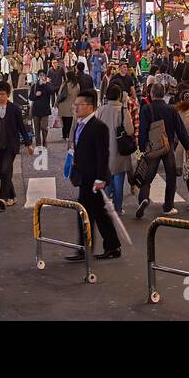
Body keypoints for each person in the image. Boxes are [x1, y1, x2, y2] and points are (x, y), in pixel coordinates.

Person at [65, 91, 123, 260]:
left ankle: (85, 249)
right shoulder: (79, 124)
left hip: (93, 178)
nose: (75, 108)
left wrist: (100, 178)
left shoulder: (98, 127)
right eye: (75, 105)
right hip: (83, 176)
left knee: (85, 213)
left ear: (90, 107)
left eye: (79, 105)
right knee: (98, 213)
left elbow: (103, 154)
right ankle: (111, 246)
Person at [136, 83, 189, 219]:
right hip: (168, 146)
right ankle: (168, 206)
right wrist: (187, 146)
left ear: (152, 94)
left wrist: (142, 148)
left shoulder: (146, 109)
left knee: (148, 175)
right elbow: (180, 129)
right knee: (171, 175)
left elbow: (142, 130)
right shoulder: (171, 109)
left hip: (153, 147)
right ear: (164, 94)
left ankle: (143, 198)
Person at [0, 80, 33, 209]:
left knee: (6, 168)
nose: (0, 97)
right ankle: (12, 196)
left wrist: (28, 144)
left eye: (3, 94)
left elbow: (21, 127)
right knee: (1, 170)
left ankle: (2, 198)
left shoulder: (14, 108)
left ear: (8, 94)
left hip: (11, 145)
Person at [96, 83, 134, 213]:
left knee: (106, 181)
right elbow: (130, 131)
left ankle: (106, 207)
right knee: (119, 182)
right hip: (120, 152)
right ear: (119, 96)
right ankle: (118, 209)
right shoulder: (124, 111)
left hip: (104, 152)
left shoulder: (100, 110)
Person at [29, 69, 55, 147]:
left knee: (44, 127)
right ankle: (38, 144)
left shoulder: (48, 85)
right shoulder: (35, 85)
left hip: (45, 110)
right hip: (36, 110)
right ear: (38, 76)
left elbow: (52, 92)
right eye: (40, 75)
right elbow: (30, 97)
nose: (42, 77)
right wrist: (36, 95)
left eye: (43, 75)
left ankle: (44, 140)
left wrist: (45, 84)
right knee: (36, 129)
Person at [57, 67, 81, 141]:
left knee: (64, 121)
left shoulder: (65, 84)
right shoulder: (76, 85)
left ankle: (64, 135)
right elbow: (78, 94)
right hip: (72, 105)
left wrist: (56, 103)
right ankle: (69, 134)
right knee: (70, 121)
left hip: (63, 105)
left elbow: (59, 94)